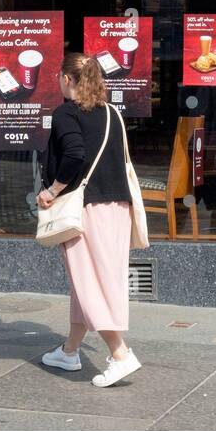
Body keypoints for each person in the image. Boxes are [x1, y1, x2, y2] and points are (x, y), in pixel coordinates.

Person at [38, 53, 141, 388]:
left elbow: (74, 154)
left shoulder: (66, 113)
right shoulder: (112, 113)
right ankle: (69, 351)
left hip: (86, 209)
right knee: (94, 280)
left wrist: (52, 190)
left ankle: (120, 354)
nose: (57, 82)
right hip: (116, 207)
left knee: (89, 282)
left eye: (59, 77)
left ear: (68, 79)